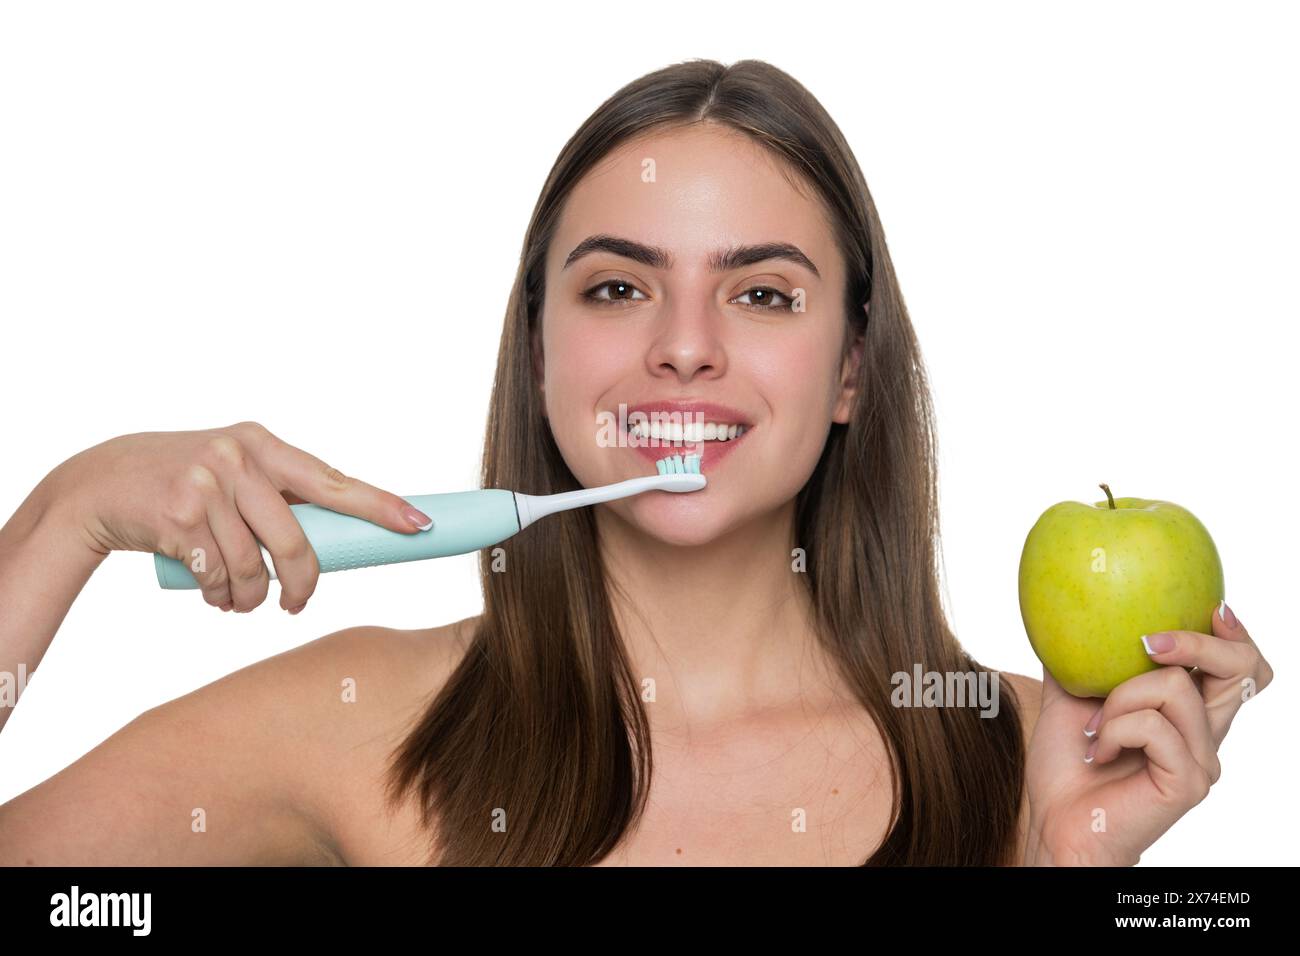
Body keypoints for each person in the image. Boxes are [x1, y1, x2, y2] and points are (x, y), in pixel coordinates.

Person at [0, 59, 1272, 866]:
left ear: (849, 372)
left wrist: (1067, 873)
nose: (683, 350)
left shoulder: (1033, 750)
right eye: (619, 286)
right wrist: (62, 522)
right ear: (540, 346)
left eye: (762, 295)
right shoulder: (353, 725)